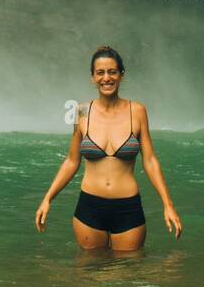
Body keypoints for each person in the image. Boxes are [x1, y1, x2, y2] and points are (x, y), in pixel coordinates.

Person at [35, 44, 182, 251]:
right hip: (89, 208)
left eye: (112, 72)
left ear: (121, 75)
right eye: (100, 73)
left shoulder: (137, 111)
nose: (107, 78)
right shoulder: (82, 111)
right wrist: (47, 199)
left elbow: (149, 160)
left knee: (127, 275)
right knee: (90, 276)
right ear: (92, 77)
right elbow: (72, 160)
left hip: (128, 209)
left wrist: (168, 205)